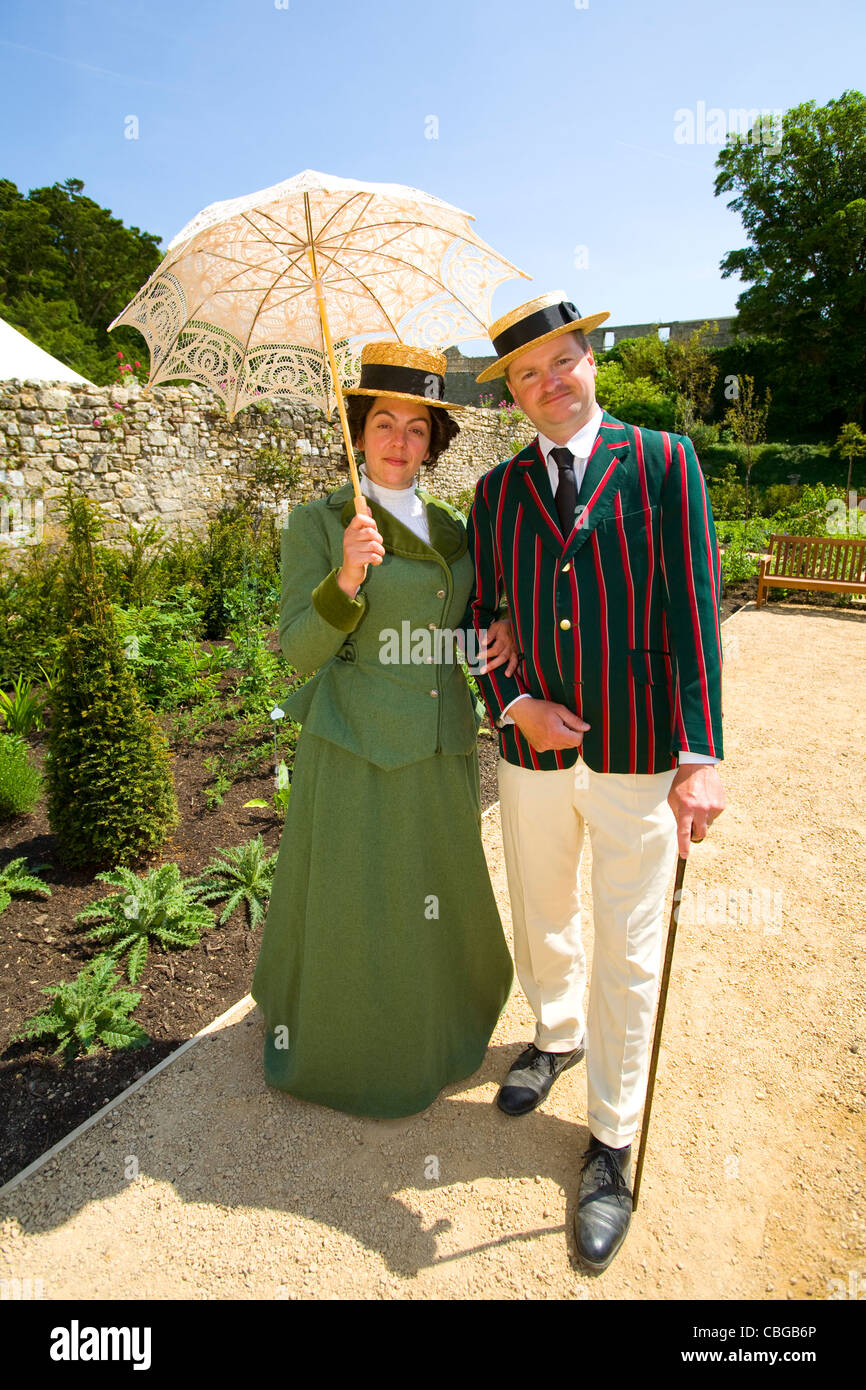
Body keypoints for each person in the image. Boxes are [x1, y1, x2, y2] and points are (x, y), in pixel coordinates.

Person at [467, 293, 726, 1271]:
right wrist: (511, 702)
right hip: (531, 756)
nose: (546, 384)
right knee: (540, 913)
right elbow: (480, 618)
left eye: (559, 362)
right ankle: (555, 1032)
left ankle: (609, 1145)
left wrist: (697, 754)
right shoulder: (494, 495)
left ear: (590, 360)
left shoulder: (663, 463)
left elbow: (693, 606)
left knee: (627, 943)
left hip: (638, 755)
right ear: (513, 394)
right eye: (525, 375)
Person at [251, 341, 514, 1119]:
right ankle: (347, 1051)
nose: (400, 441)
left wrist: (485, 639)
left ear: (434, 442)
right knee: (360, 899)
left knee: (431, 897)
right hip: (358, 747)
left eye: (417, 428)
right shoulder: (321, 522)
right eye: (385, 423)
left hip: (439, 749)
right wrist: (347, 578)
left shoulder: (453, 528)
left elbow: (442, 630)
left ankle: (436, 1031)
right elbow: (300, 651)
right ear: (358, 431)